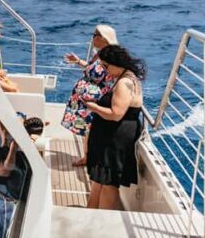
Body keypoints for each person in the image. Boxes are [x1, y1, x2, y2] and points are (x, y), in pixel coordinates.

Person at [84, 44, 145, 210]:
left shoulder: (124, 82)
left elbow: (116, 113)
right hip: (110, 136)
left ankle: (104, 223)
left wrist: (92, 106)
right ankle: (91, 213)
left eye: (106, 66)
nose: (105, 70)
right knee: (100, 181)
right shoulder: (128, 77)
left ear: (116, 63)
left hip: (114, 139)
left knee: (109, 184)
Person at [60, 24, 118, 166]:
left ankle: (90, 158)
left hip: (95, 101)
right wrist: (78, 61)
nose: (92, 38)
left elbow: (111, 75)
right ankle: (87, 157)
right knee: (87, 130)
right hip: (86, 100)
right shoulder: (99, 53)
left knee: (91, 130)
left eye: (95, 35)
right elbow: (93, 69)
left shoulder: (111, 56)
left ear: (104, 38)